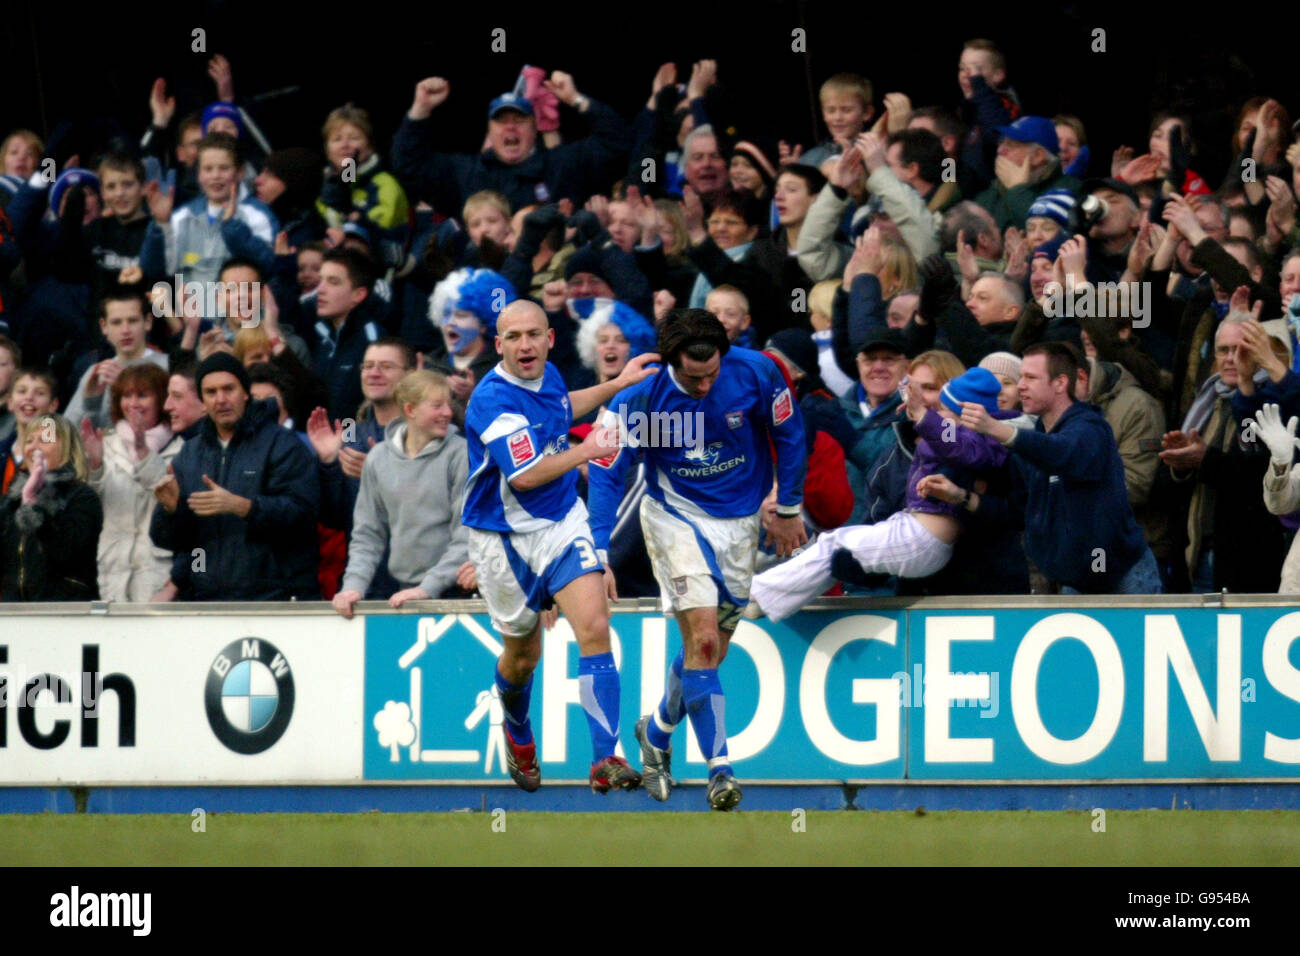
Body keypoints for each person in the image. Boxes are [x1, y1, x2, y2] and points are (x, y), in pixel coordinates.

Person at [588, 309, 807, 809]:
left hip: (741, 523)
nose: (705, 386)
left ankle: (656, 733)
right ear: (671, 362)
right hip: (675, 516)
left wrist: (789, 507)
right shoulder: (638, 396)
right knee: (704, 640)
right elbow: (603, 471)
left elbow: (790, 434)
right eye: (693, 378)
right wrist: (600, 551)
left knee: (709, 651)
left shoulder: (758, 371)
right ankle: (720, 772)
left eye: (712, 374)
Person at [461, 298, 657, 794]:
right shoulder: (491, 400)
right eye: (513, 337)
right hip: (503, 539)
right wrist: (587, 450)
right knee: (522, 657)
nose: (524, 345)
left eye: (533, 334)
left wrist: (616, 385)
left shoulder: (547, 376)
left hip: (563, 521)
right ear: (499, 345)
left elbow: (564, 405)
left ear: (550, 339)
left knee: (594, 624)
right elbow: (525, 476)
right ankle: (517, 728)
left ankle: (605, 757)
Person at [747, 365, 1013, 620]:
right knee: (834, 548)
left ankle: (755, 595)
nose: (936, 413)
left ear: (969, 415)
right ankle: (765, 601)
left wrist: (924, 415)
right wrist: (919, 416)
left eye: (943, 409)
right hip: (913, 530)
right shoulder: (957, 436)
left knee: (833, 545)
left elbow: (957, 445)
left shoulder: (975, 441)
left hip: (924, 540)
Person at [958, 342, 1161, 594]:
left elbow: (1062, 453)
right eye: (1021, 377)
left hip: (1123, 577)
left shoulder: (1090, 427)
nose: (1020, 385)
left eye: (1031, 377)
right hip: (1076, 581)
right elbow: (1018, 511)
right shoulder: (1034, 442)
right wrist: (961, 496)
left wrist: (996, 428)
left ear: (1060, 383)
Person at [149, 352, 320, 600]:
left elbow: (303, 515)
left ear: (245, 393)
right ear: (203, 401)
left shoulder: (282, 444)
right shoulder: (190, 453)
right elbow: (174, 542)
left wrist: (244, 507)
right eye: (211, 392)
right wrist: (172, 510)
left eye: (228, 389)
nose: (221, 399)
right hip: (207, 600)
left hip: (274, 598)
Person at [392, 73, 630, 215]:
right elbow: (408, 166)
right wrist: (421, 108)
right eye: (501, 121)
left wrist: (575, 98)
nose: (510, 128)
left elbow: (617, 143)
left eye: (519, 120)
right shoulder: (466, 171)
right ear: (489, 131)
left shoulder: (561, 163)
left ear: (535, 129)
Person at [332, 370, 469, 616]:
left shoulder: (461, 454)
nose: (448, 413)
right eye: (437, 406)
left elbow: (467, 533)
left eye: (449, 405)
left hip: (459, 591)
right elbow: (367, 533)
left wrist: (429, 587)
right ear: (410, 410)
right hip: (402, 591)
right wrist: (353, 586)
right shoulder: (378, 458)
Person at [81, 363, 181, 601]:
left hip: (156, 575)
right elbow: (91, 506)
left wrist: (143, 452)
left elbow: (171, 498)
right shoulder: (105, 444)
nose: (133, 403)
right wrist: (94, 466)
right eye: (127, 395)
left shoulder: (181, 448)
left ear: (161, 400)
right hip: (111, 573)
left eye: (143, 395)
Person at [140, 132, 277, 288]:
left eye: (224, 168)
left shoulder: (258, 215)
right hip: (193, 303)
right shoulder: (183, 215)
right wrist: (160, 223)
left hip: (242, 303)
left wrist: (233, 228)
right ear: (198, 174)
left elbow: (269, 265)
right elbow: (153, 269)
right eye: (208, 169)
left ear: (240, 172)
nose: (215, 176)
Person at [0, 413, 102, 600]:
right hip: (15, 611)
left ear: (68, 449)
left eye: (45, 439)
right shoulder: (11, 502)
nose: (34, 447)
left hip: (64, 610)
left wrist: (34, 507)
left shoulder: (82, 497)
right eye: (29, 441)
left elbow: (66, 551)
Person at [65, 288, 169, 429]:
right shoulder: (96, 373)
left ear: (148, 322)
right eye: (116, 322)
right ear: (104, 326)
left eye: (132, 321)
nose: (125, 330)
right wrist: (91, 404)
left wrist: (125, 386)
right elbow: (67, 433)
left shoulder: (168, 366)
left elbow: (171, 424)